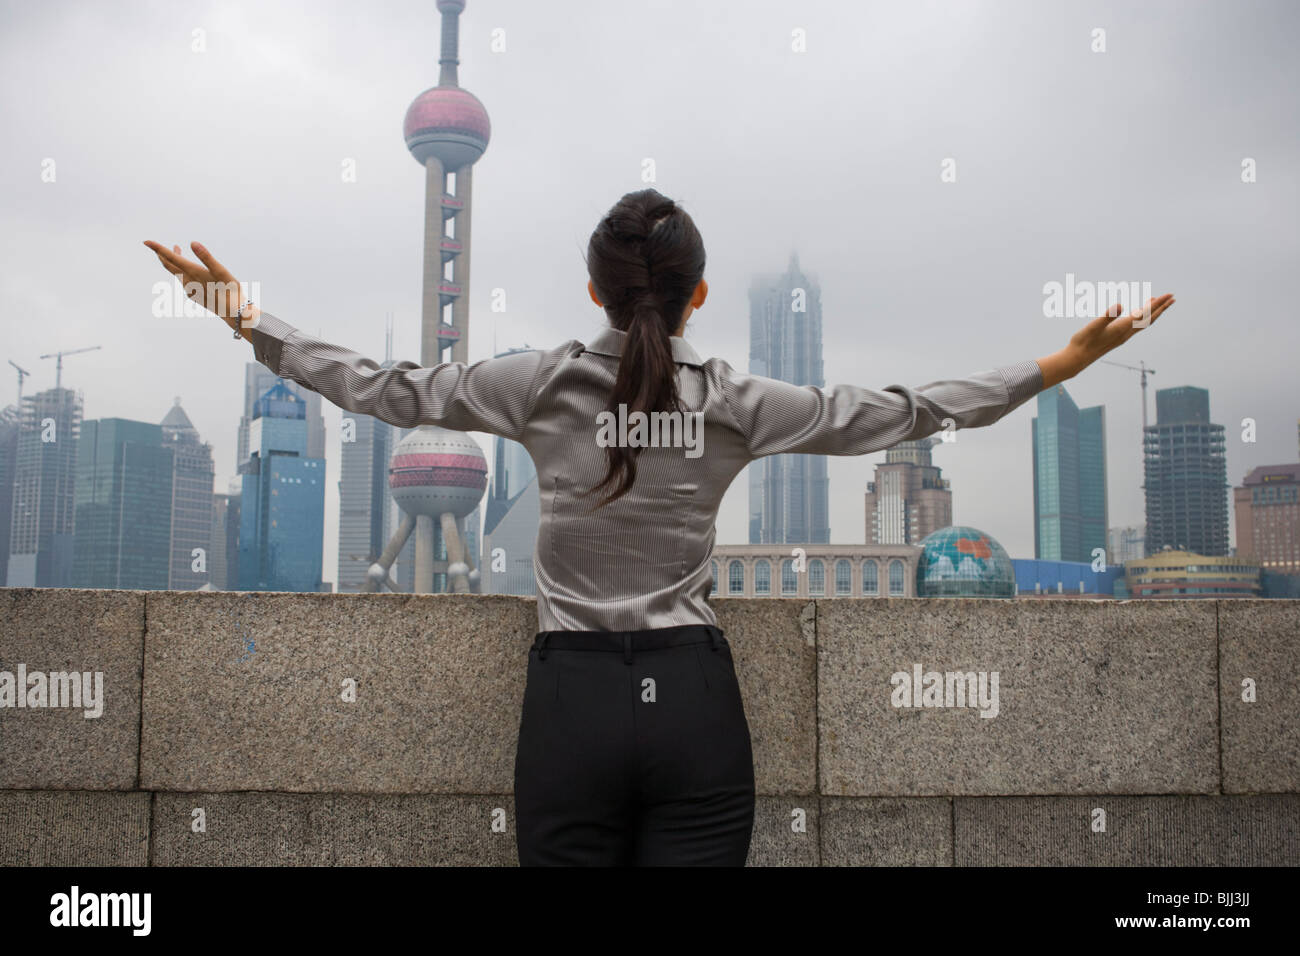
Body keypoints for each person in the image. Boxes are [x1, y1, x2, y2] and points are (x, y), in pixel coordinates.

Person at [145, 188, 1173, 866]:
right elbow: (899, 409)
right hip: (691, 700)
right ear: (701, 296)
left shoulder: (536, 384)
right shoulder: (733, 398)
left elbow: (384, 389)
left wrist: (245, 316)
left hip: (571, 703)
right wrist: (1054, 366)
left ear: (593, 290)